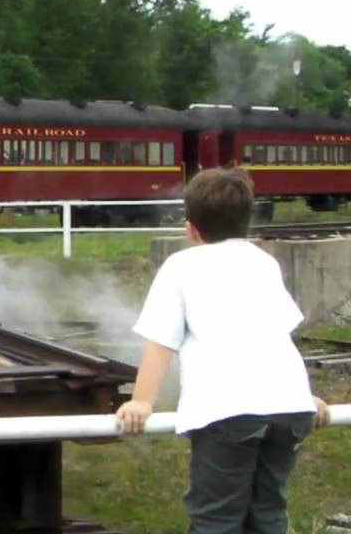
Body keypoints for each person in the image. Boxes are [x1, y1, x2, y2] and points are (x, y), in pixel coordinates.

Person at [115, 167, 331, 534]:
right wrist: (304, 394)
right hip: (290, 408)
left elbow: (160, 342)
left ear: (191, 227)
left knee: (216, 519)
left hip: (228, 410)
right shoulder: (264, 263)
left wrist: (141, 401)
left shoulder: (180, 266)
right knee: (268, 512)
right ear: (248, 219)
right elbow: (275, 336)